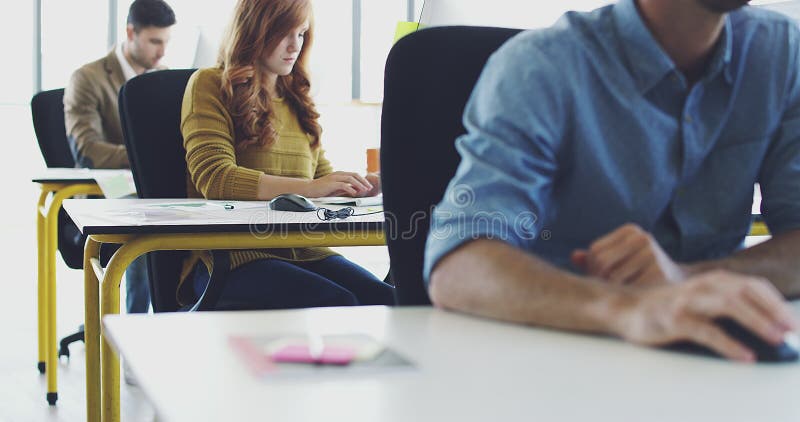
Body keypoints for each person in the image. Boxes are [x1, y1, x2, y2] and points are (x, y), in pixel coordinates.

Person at [425, 0, 800, 362]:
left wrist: (684, 278)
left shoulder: (780, 50)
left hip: (720, 358)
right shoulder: (540, 65)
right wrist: (630, 308)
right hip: (557, 356)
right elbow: (457, 267)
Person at [179, 0, 395, 309]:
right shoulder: (211, 84)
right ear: (255, 30)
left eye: (302, 33)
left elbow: (320, 179)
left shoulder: (296, 98)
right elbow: (215, 178)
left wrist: (360, 185)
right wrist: (311, 188)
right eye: (285, 33)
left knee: (389, 300)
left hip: (303, 249)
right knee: (339, 303)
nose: (295, 45)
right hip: (233, 257)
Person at [63, 0, 176, 316]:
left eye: (167, 42)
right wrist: (146, 158)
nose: (162, 52)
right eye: (155, 41)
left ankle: (179, 318)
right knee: (144, 227)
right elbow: (88, 150)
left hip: (154, 189)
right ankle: (133, 328)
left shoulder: (166, 77)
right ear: (130, 33)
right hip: (108, 187)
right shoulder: (88, 78)